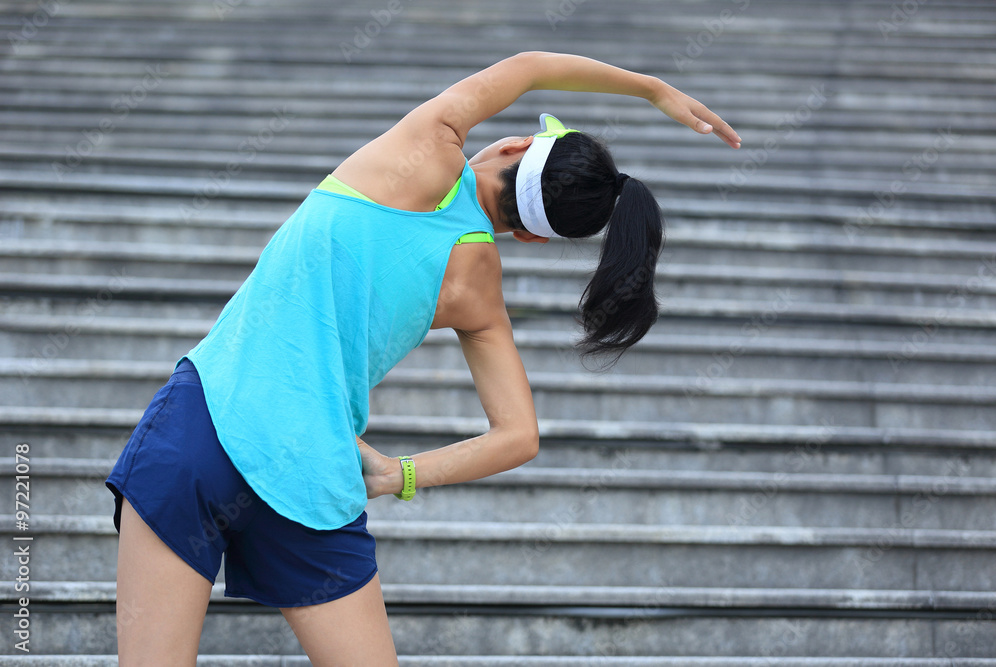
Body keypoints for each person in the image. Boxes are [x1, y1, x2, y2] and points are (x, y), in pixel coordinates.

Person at [104, 50, 740, 666]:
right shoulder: (479, 289)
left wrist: (652, 88)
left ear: (516, 146)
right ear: (529, 235)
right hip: (314, 473)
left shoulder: (428, 149)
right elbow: (519, 436)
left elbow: (529, 67)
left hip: (203, 424)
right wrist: (399, 475)